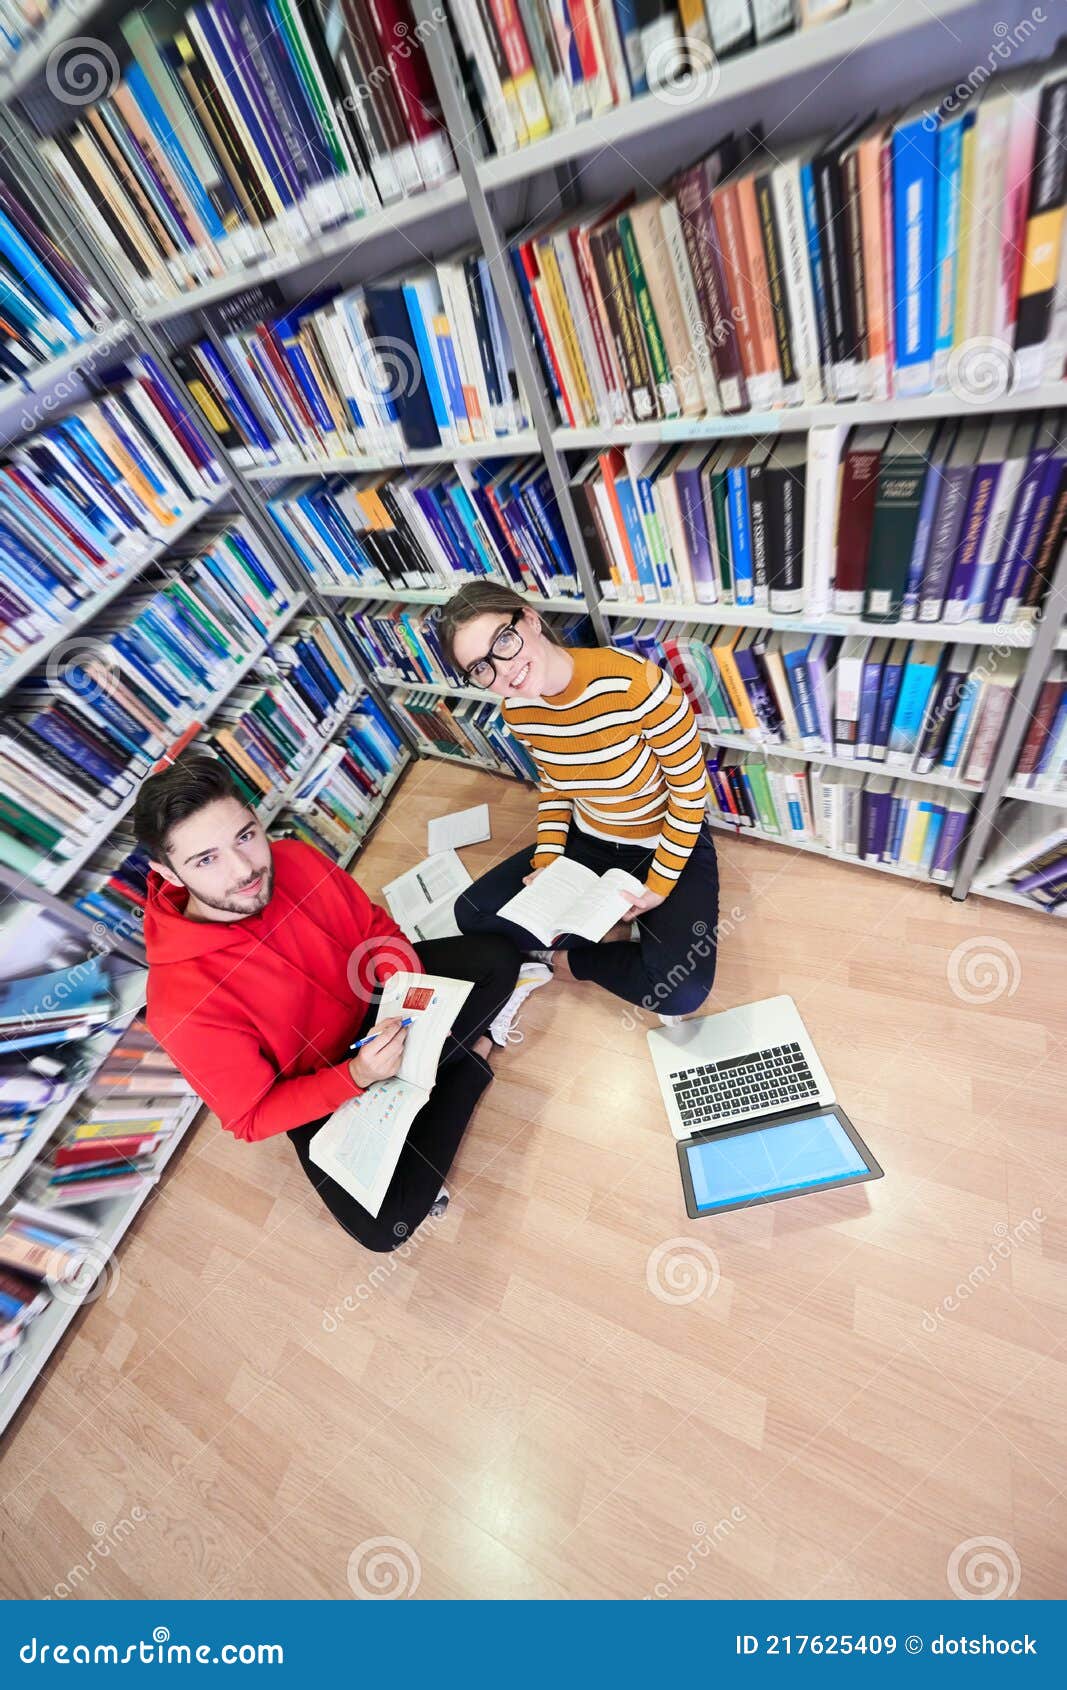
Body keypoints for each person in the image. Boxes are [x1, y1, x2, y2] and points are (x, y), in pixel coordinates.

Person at [133, 754, 535, 1253]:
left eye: (245, 836)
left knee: (497, 958)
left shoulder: (294, 858)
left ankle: (426, 1082)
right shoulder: (177, 1004)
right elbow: (252, 1118)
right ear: (167, 873)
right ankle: (466, 1065)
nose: (245, 869)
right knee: (385, 1229)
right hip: (321, 1086)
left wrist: (405, 994)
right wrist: (358, 1076)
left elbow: (375, 931)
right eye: (206, 860)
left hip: (381, 1011)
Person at [438, 583, 720, 1020]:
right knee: (469, 914)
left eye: (504, 641)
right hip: (588, 841)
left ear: (530, 619)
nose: (504, 671)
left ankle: (573, 957)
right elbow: (555, 786)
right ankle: (602, 926)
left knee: (681, 992)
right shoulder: (518, 710)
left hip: (664, 840)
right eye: (481, 667)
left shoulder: (638, 684)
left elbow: (689, 793)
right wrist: (548, 860)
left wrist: (659, 887)